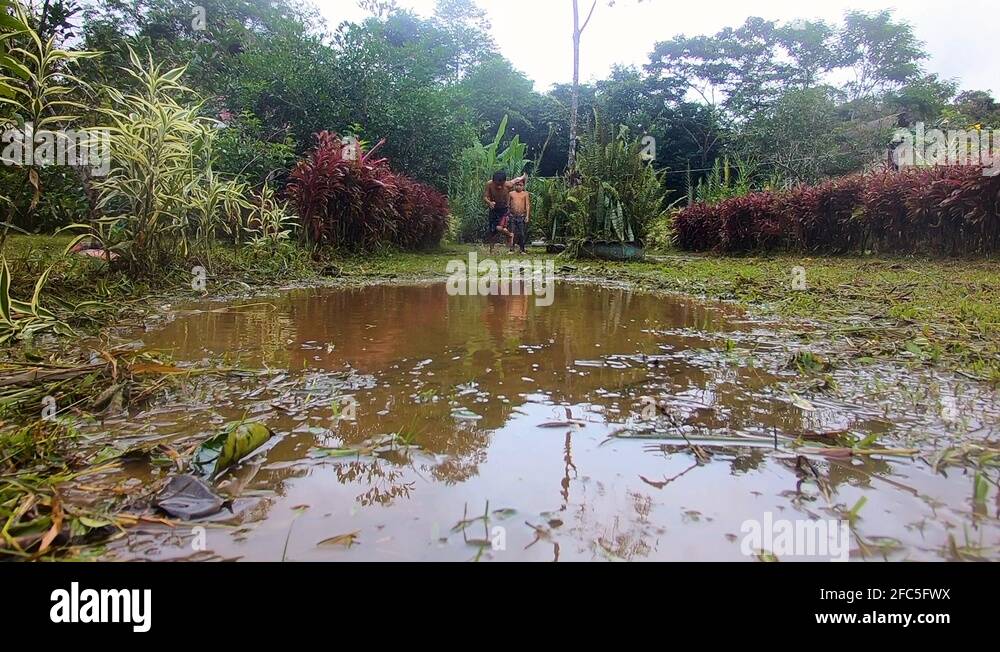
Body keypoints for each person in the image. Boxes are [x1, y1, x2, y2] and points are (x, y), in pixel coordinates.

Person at [483, 171, 526, 253]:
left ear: (504, 182)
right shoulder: (489, 184)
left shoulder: (508, 185)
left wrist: (523, 177)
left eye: (501, 185)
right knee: (492, 231)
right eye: (497, 184)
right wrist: (489, 202)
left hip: (504, 209)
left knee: (499, 227)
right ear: (493, 181)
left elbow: (516, 180)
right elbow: (485, 196)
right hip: (494, 209)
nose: (499, 187)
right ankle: (491, 250)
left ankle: (509, 235)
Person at [507, 178, 530, 254]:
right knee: (512, 233)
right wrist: (507, 215)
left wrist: (527, 216)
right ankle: (511, 249)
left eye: (520, 185)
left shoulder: (525, 194)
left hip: (521, 216)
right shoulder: (511, 193)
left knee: (522, 233)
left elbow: (527, 206)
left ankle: (522, 249)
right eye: (517, 185)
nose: (519, 186)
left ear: (523, 186)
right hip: (512, 216)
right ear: (514, 186)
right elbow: (508, 205)